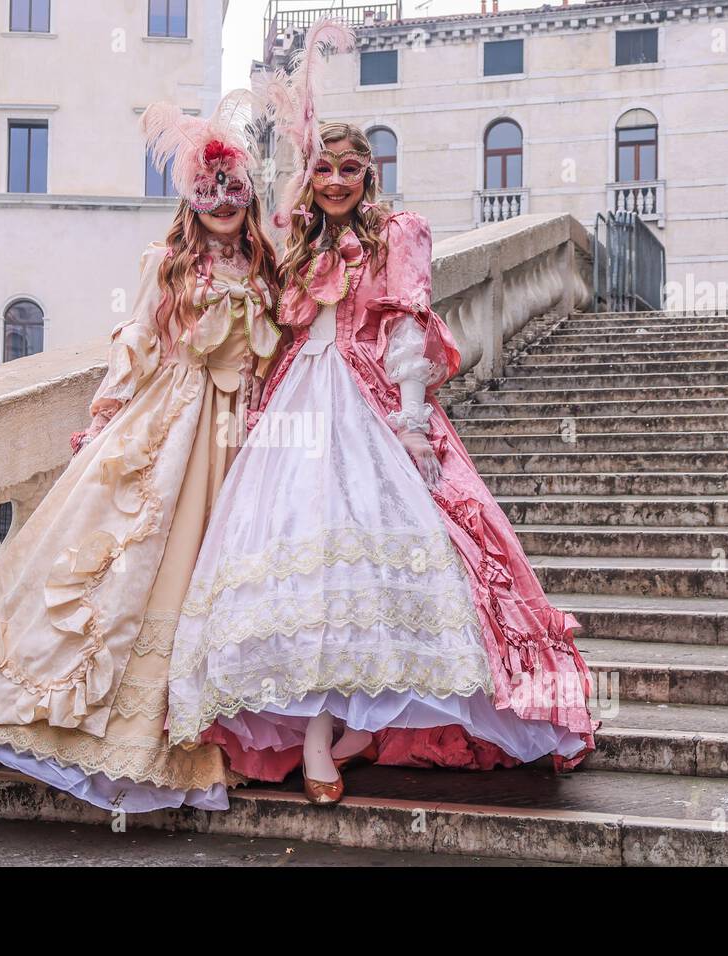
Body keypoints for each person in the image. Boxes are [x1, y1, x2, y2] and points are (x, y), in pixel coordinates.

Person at [166, 21, 597, 804]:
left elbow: (406, 331)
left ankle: (333, 735)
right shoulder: (298, 242)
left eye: (348, 170)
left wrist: (409, 422)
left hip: (369, 408)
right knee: (310, 572)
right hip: (296, 410)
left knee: (375, 567)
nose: (334, 181)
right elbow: (253, 300)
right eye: (322, 170)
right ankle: (331, 731)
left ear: (371, 173)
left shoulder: (401, 234)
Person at [0, 92, 280, 812]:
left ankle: (229, 726)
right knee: (139, 565)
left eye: (233, 190)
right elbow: (135, 342)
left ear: (248, 196)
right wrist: (106, 413)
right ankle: (112, 726)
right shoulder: (164, 263)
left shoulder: (268, 271)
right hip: (172, 425)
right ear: (191, 202)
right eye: (209, 191)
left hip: (242, 437)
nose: (223, 203)